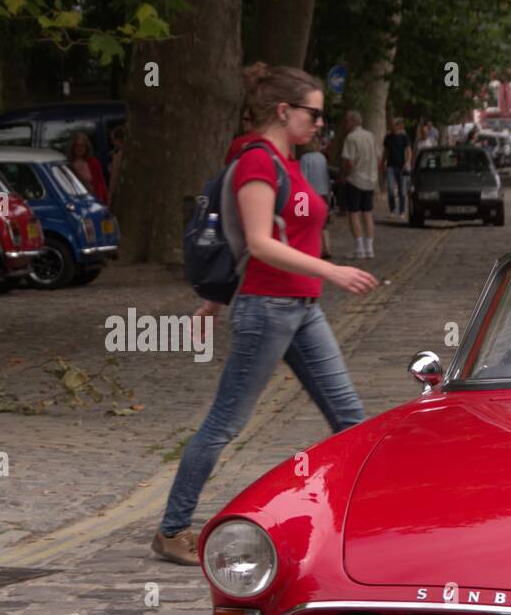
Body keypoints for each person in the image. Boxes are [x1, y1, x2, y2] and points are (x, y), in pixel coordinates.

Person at [151, 62, 379, 565]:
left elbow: (266, 237)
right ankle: (171, 530)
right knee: (224, 424)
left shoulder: (289, 162)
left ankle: (364, 522)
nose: (321, 123)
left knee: (351, 421)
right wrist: (334, 270)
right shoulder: (257, 162)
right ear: (283, 110)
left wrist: (213, 300)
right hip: (267, 310)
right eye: (314, 113)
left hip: (301, 307)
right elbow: (256, 243)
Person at [340, 109, 377, 258]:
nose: (345, 123)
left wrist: (344, 175)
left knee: (353, 214)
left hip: (355, 179)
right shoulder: (371, 136)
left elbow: (349, 161)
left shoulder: (351, 138)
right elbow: (378, 157)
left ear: (352, 121)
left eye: (347, 121)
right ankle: (370, 248)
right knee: (367, 213)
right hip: (370, 179)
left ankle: (359, 248)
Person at [299, 139, 333, 258]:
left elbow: (303, 177)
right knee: (323, 223)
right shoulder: (322, 157)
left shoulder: (304, 158)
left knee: (306, 221)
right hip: (323, 192)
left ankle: (312, 249)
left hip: (308, 193)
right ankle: (327, 247)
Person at [380, 120, 412, 217]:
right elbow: (386, 151)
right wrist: (382, 163)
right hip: (391, 166)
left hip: (402, 166)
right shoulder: (388, 137)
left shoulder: (404, 137)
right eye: (392, 125)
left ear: (398, 127)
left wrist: (407, 162)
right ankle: (392, 209)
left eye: (394, 125)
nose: (392, 127)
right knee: (390, 189)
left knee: (402, 191)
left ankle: (402, 211)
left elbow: (409, 151)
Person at [66, 133, 108, 203]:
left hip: (93, 201)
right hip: (74, 202)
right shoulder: (67, 164)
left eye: (82, 145)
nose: (80, 148)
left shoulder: (94, 162)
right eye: (77, 145)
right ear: (73, 147)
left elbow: (101, 183)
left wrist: (104, 200)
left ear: (87, 147)